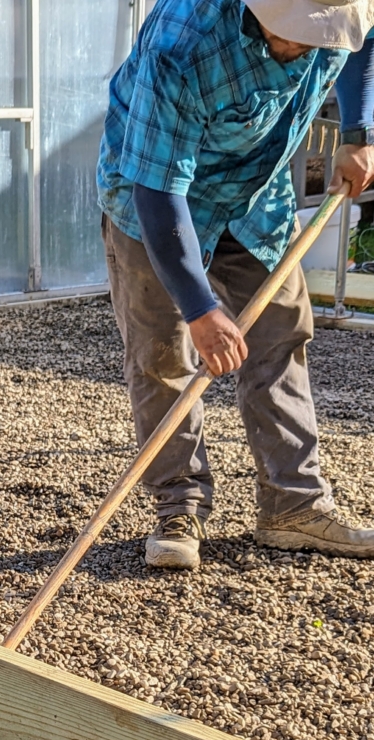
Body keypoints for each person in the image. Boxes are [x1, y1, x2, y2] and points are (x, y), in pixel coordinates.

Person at [97, 0, 374, 569]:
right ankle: (179, 506)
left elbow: (359, 45)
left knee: (279, 338)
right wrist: (199, 307)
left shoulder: (341, 13)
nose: (304, 47)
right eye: (294, 35)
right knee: (162, 355)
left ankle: (293, 506)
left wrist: (358, 130)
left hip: (255, 198)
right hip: (155, 206)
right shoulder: (184, 45)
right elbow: (158, 189)